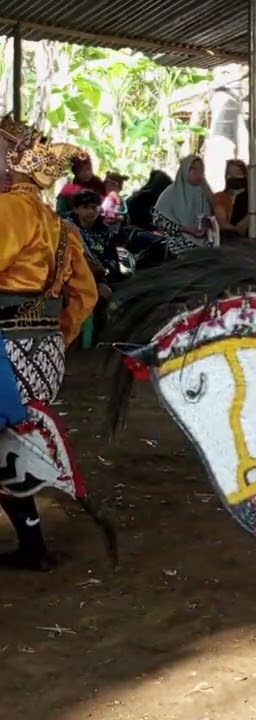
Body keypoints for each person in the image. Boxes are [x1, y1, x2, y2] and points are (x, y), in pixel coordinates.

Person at [0, 114, 99, 570]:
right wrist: (58, 337)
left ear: (13, 163)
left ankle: (33, 546)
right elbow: (85, 295)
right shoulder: (59, 224)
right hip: (41, 354)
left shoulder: (11, 211)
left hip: (7, 352)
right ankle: (33, 547)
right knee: (7, 448)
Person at [152, 155, 215, 256]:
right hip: (179, 245)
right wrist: (185, 229)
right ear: (184, 170)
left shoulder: (204, 191)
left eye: (200, 169)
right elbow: (158, 220)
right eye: (193, 169)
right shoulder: (171, 193)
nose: (198, 173)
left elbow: (212, 215)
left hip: (205, 244)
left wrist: (204, 226)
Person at [212, 159, 247, 232]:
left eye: (239, 173)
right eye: (229, 175)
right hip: (230, 236)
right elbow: (222, 224)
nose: (230, 177)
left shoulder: (252, 198)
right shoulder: (220, 197)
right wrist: (237, 229)